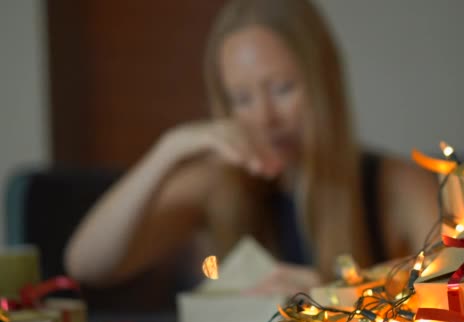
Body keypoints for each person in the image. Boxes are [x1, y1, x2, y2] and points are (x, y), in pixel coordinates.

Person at [64, 0, 438, 295]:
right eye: (241, 98)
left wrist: (339, 296)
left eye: (282, 89)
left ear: (325, 81)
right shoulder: (216, 185)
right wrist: (169, 150)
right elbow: (87, 264)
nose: (264, 118)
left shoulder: (397, 184)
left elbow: (460, 289)